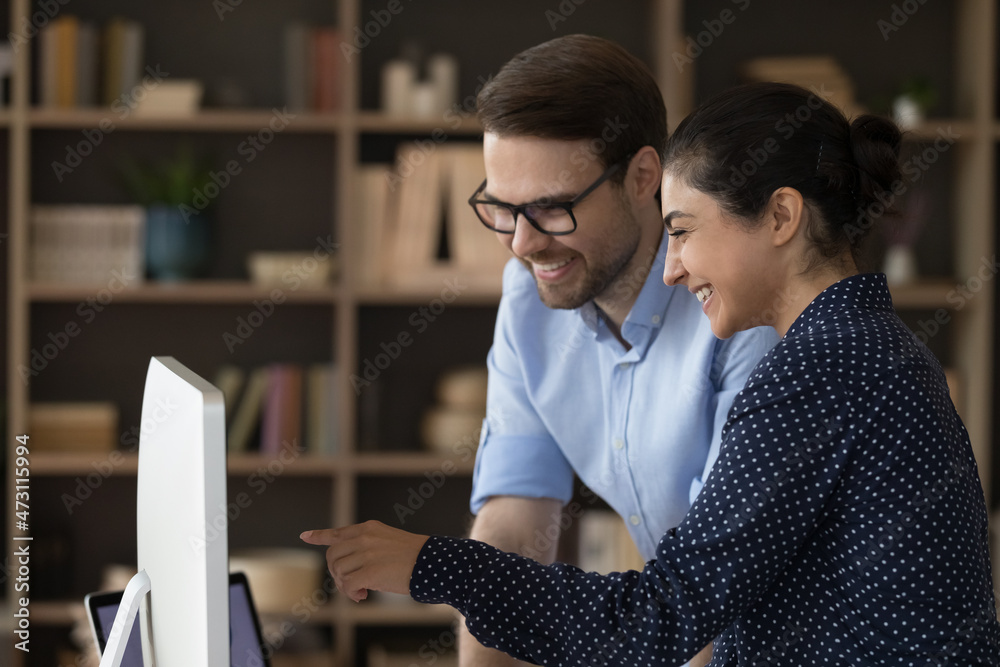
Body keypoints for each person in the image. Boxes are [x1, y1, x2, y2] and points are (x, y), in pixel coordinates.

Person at [302, 81, 1000, 665]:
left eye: (686, 230)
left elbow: (659, 618)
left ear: (782, 216)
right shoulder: (867, 348)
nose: (671, 267)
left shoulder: (823, 368)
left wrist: (433, 565)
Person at [327, 35, 770, 667]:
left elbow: (707, 596)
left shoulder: (738, 318)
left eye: (552, 209)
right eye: (502, 209)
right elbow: (512, 527)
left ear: (644, 177)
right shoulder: (532, 298)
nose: (522, 245)